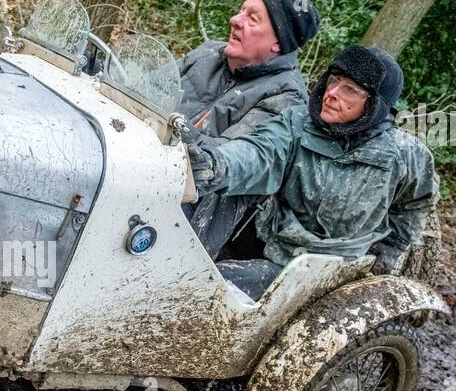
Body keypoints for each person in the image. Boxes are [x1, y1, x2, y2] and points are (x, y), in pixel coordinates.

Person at [183, 45, 439, 300]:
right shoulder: (296, 123)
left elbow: (418, 200)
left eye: (350, 89)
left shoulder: (406, 156)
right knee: (194, 276)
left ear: (375, 105)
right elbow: (260, 152)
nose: (332, 93)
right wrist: (216, 164)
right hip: (272, 242)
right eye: (334, 81)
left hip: (325, 268)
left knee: (211, 290)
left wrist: (392, 246)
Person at [177, 0, 321, 258]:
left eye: (252, 19)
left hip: (192, 209)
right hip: (143, 165)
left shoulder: (287, 100)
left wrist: (192, 145)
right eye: (241, 10)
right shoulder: (206, 54)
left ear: (278, 43)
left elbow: (236, 157)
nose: (235, 19)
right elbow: (147, 89)